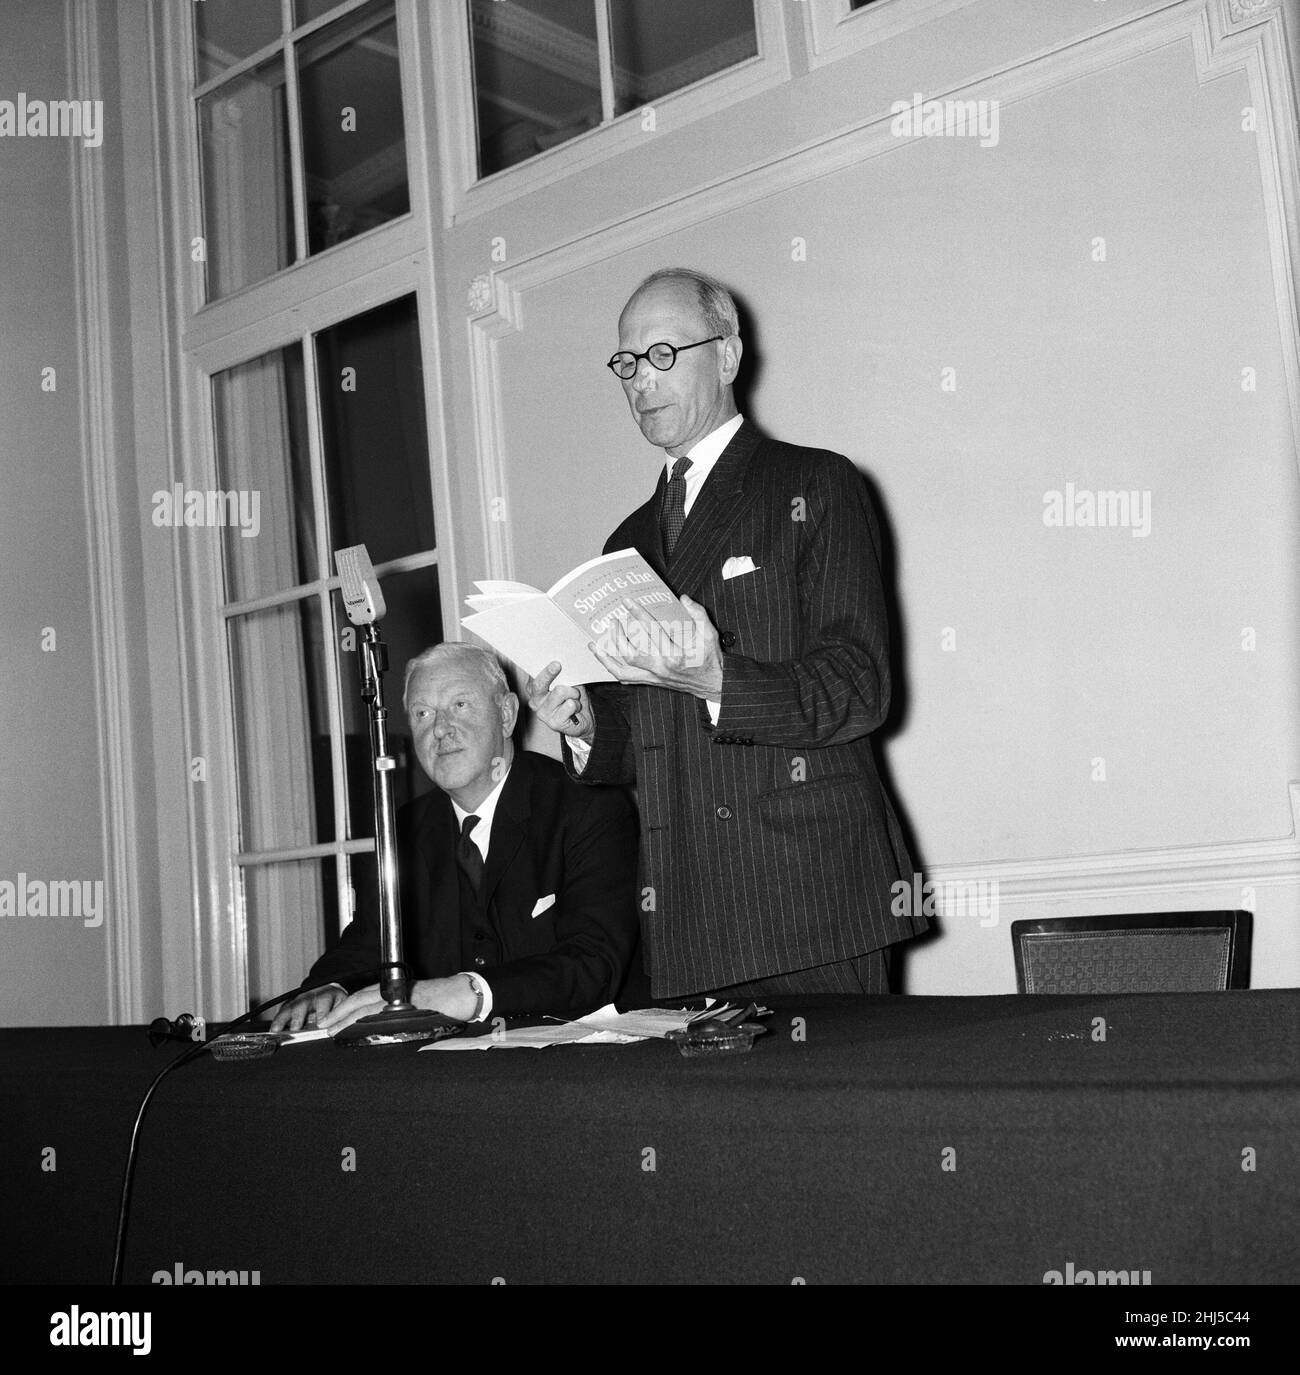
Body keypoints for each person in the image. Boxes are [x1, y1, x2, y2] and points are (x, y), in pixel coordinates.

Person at [527, 267, 927, 1000]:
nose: (641, 380)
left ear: (730, 356)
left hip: (806, 897)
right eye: (626, 362)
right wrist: (584, 723)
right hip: (684, 911)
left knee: (828, 1117)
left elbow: (860, 687)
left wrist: (719, 680)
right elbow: (642, 730)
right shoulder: (627, 537)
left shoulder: (816, 483)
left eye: (663, 354)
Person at [272, 642, 642, 1034]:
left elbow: (592, 965)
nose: (440, 729)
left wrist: (469, 992)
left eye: (460, 705)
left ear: (506, 714)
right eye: (422, 713)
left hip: (586, 1061)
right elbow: (369, 942)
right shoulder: (405, 829)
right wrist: (327, 985)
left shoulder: (588, 806)